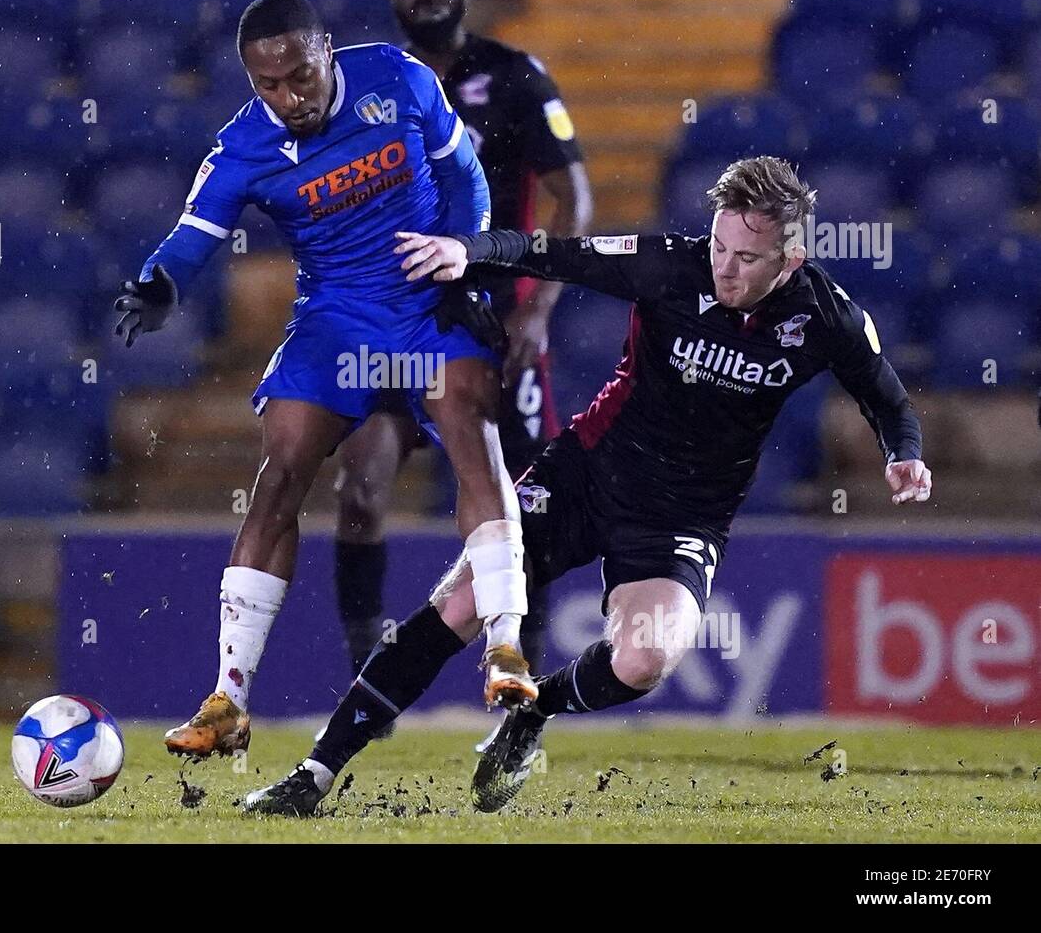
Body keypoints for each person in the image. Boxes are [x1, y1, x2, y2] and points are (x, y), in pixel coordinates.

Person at [243, 155, 933, 814]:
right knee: (460, 605)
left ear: (791, 259)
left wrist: (903, 452)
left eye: (747, 258)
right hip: (584, 475)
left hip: (682, 521)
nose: (725, 267)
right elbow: (552, 251)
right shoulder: (669, 265)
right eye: (721, 246)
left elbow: (886, 396)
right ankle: (314, 774)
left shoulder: (826, 316)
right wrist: (468, 250)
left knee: (645, 660)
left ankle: (533, 712)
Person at [114, 0, 537, 759]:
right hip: (335, 318)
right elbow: (191, 237)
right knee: (280, 474)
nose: (288, 98)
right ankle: (229, 699)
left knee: (473, 434)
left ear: (327, 52)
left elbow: (468, 182)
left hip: (426, 299)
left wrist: (467, 267)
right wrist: (158, 285)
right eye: (267, 85)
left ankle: (505, 644)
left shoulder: (400, 81)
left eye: (299, 78)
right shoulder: (244, 147)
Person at [330, 0, 593, 691]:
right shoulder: (361, 83)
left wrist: (538, 309)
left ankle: (524, 678)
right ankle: (365, 679)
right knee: (360, 488)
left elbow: (572, 198)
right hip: (393, 323)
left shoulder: (512, 76)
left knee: (527, 502)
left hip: (493, 324)